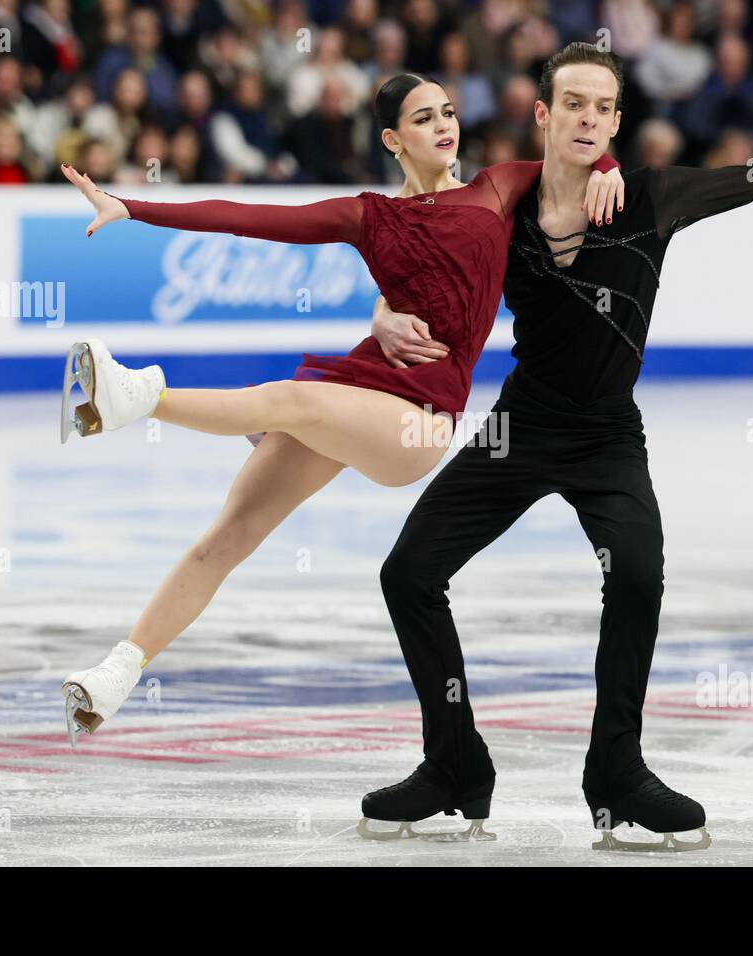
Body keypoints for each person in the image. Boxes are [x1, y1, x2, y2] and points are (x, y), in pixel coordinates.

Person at [366, 42, 753, 849]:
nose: (587, 118)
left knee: (637, 575)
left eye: (603, 108)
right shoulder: (499, 203)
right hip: (523, 424)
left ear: (616, 120)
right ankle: (456, 764)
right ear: (543, 114)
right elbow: (419, 244)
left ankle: (615, 773)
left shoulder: (650, 196)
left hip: (609, 434)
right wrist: (383, 315)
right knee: (408, 573)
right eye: (572, 103)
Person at [56, 72, 625, 748]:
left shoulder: (495, 189)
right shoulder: (368, 217)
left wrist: (612, 165)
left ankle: (139, 399)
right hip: (362, 383)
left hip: (420, 417)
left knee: (291, 401)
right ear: (391, 139)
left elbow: (578, 150)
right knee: (228, 534)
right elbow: (251, 220)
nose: (445, 126)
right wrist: (133, 208)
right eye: (423, 118)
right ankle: (117, 673)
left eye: (448, 112)